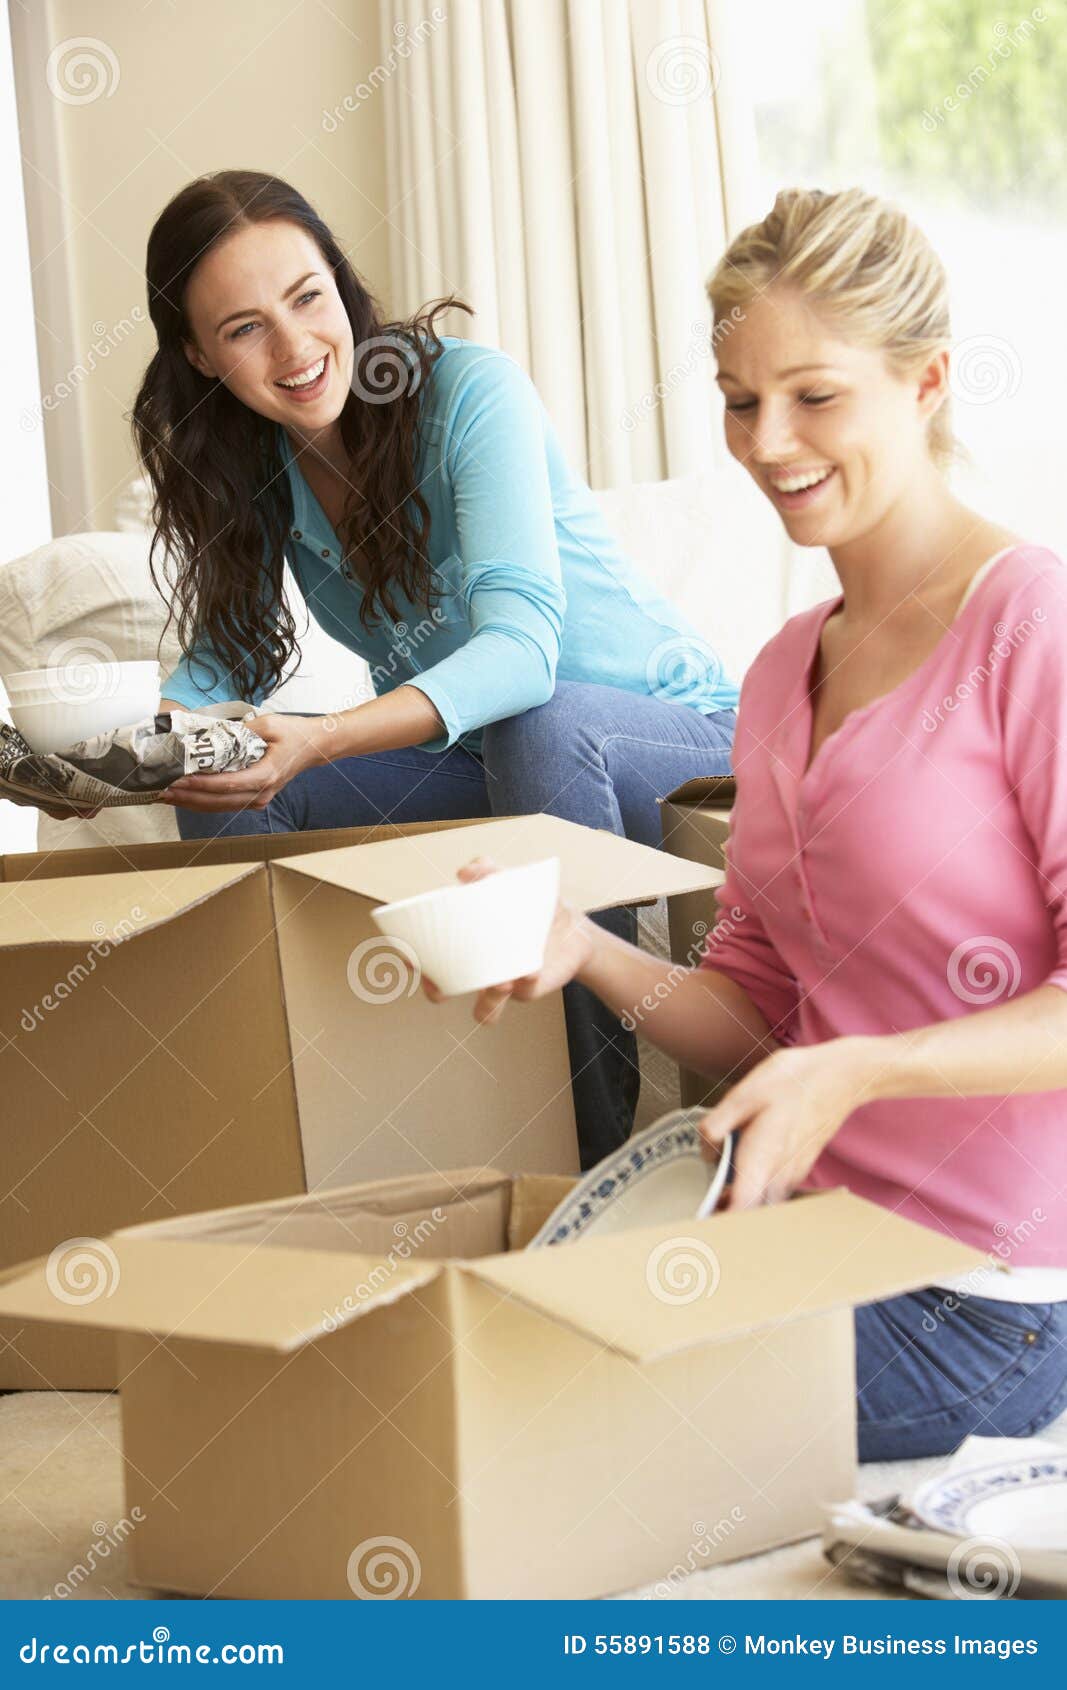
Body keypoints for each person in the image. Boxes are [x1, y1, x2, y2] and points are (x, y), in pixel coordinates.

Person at [426, 188, 1067, 1461]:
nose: (768, 441)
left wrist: (866, 1068)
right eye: (737, 400)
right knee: (465, 1325)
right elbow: (757, 1011)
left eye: (813, 396)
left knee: (533, 1414)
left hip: (987, 1298)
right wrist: (582, 949)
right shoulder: (778, 674)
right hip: (791, 1230)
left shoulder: (1027, 628)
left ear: (927, 381)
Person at [120, 169, 738, 1167]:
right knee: (225, 779)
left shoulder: (465, 390)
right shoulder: (260, 467)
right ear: (198, 354)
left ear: (342, 283)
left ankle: (584, 1164)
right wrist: (114, 759)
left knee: (540, 726)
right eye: (242, 328)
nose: (293, 348)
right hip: (497, 756)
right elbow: (217, 669)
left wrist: (322, 735)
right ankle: (291, 1132)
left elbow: (523, 653)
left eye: (307, 297)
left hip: (667, 731)